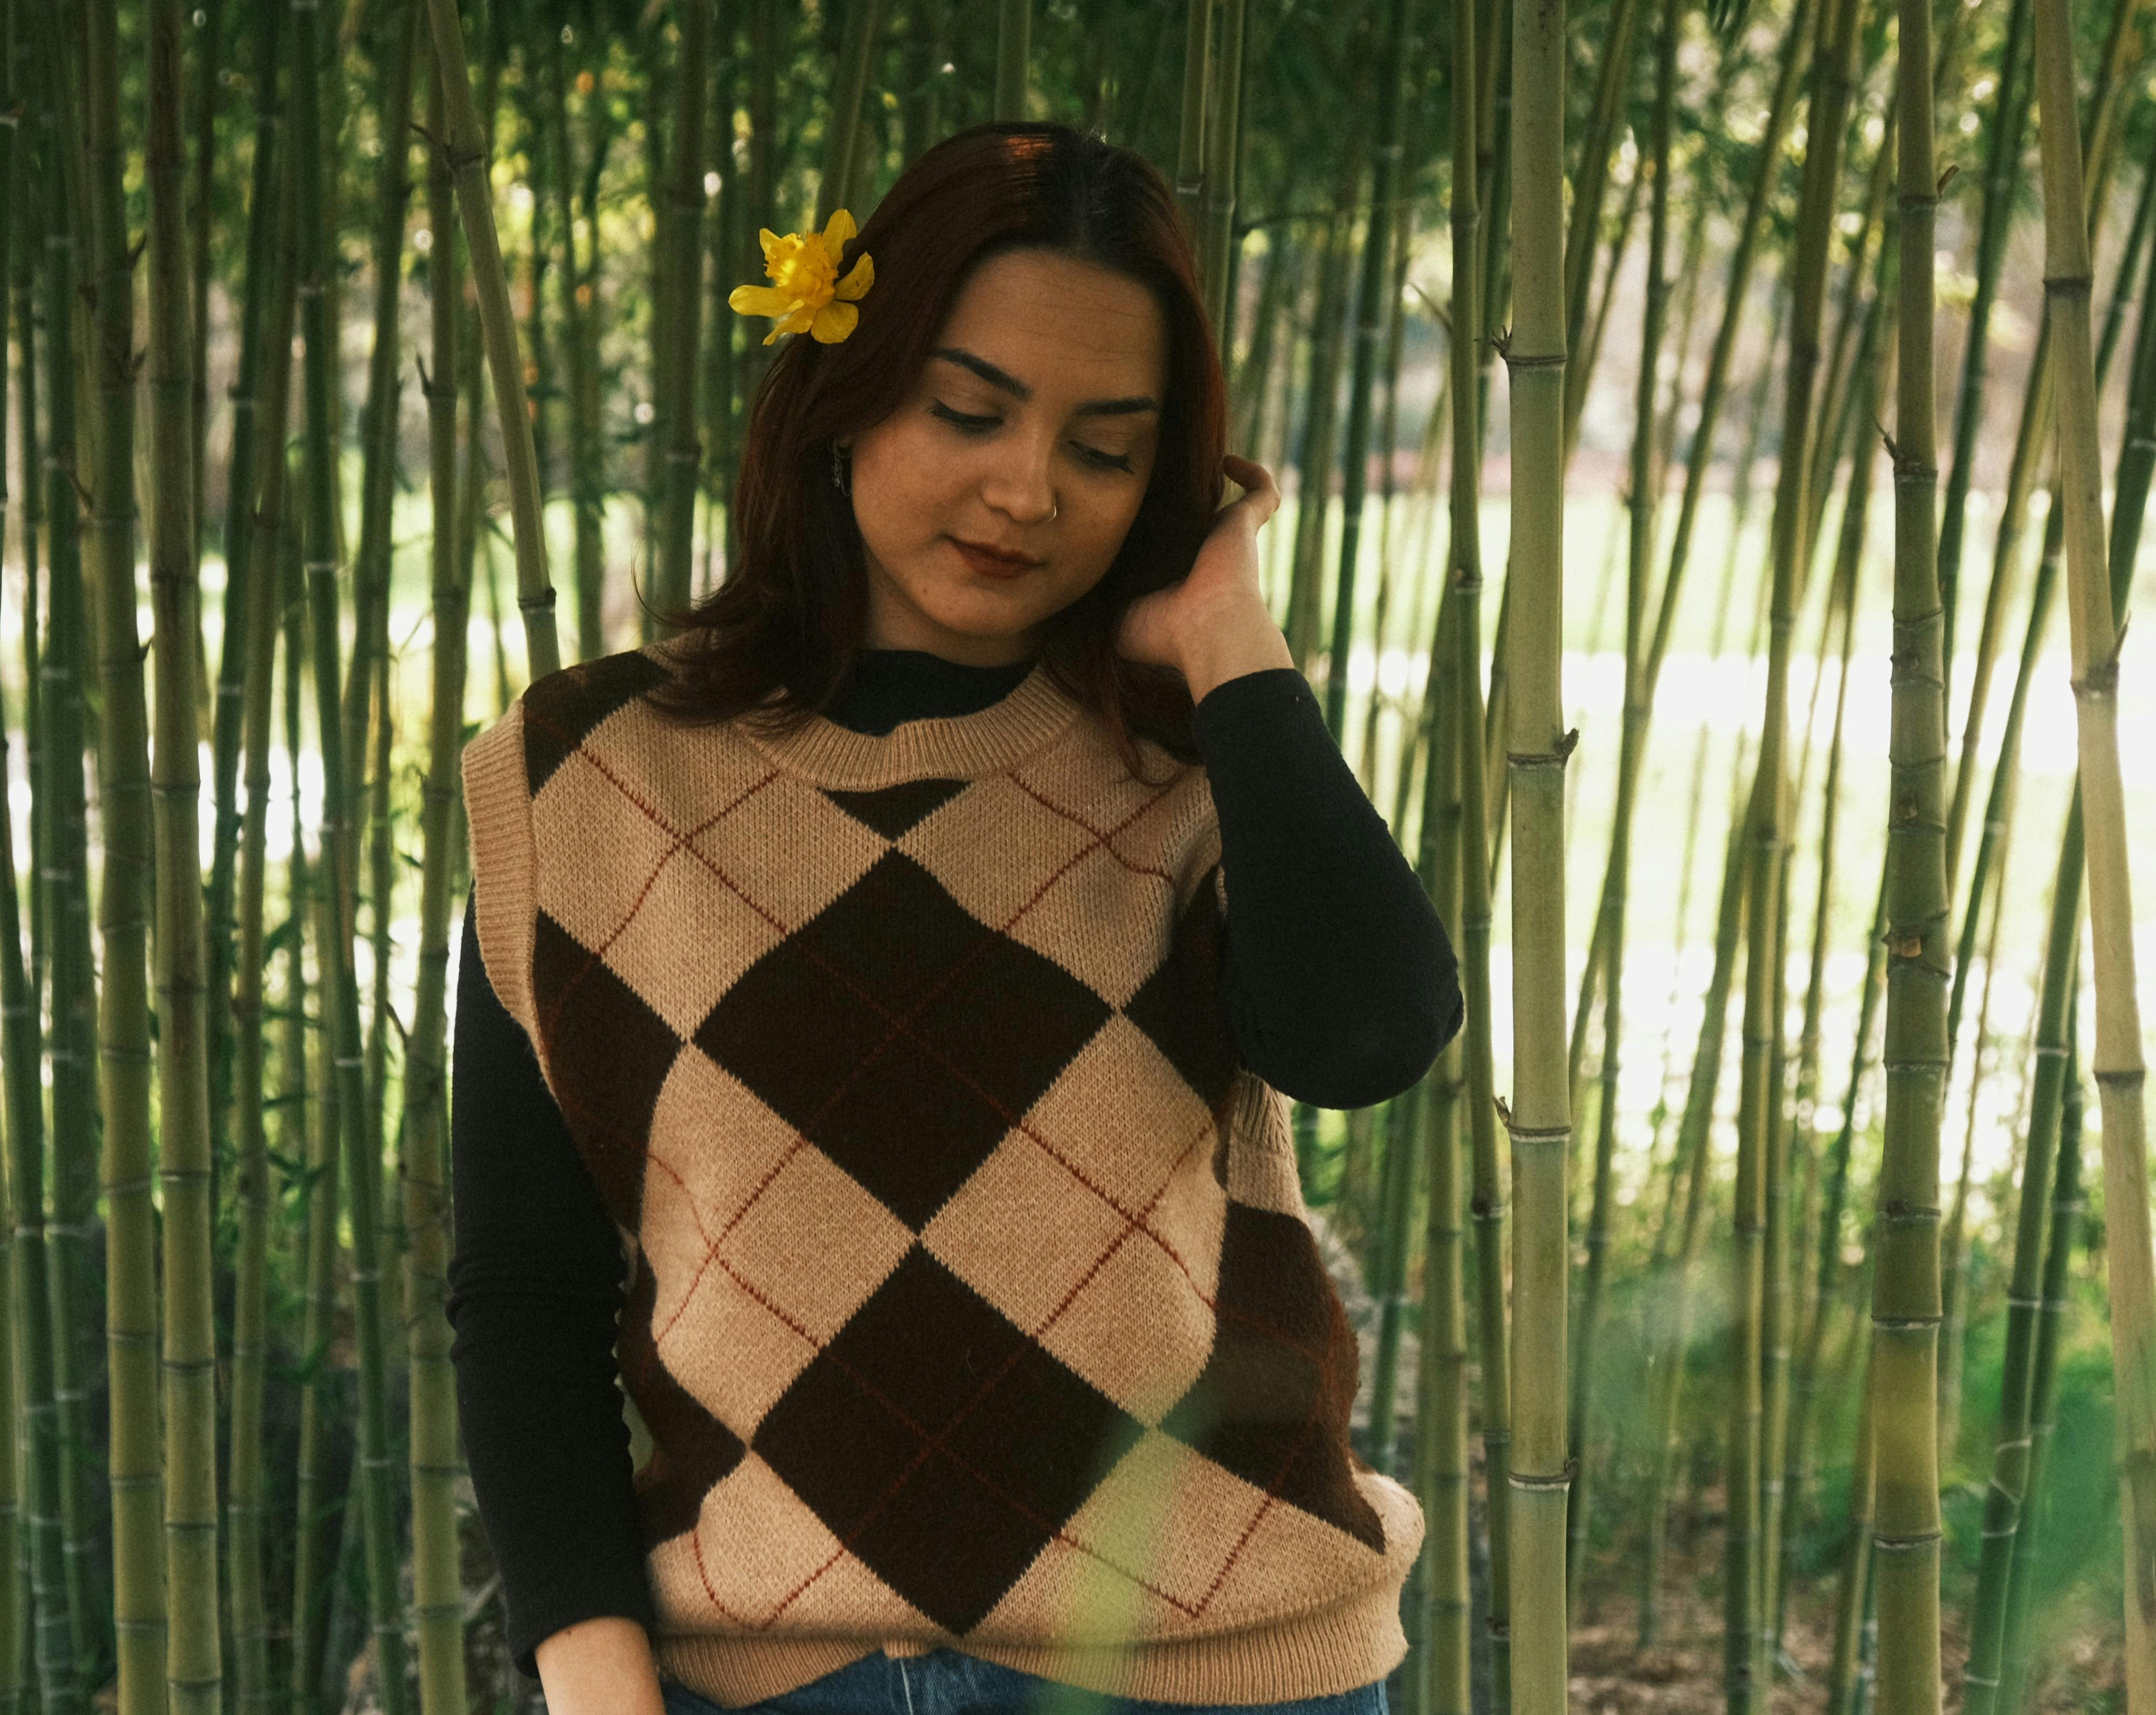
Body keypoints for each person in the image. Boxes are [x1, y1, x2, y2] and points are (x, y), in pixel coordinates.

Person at [449, 123, 1462, 1715]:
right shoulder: (584, 786)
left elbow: (1367, 1036)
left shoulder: (1200, 764)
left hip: (1213, 1671)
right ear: (838, 397)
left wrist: (1230, 640)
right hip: (777, 1681)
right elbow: (526, 1288)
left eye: (1108, 448)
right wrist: (592, 1674)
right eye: (969, 410)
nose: (1027, 488)